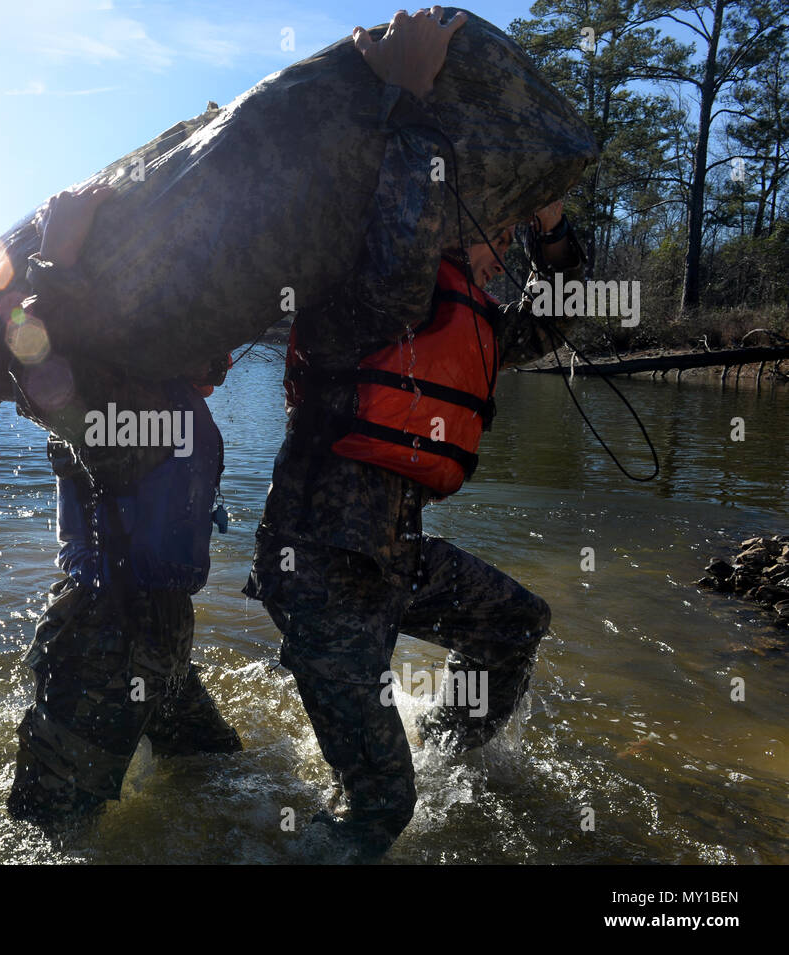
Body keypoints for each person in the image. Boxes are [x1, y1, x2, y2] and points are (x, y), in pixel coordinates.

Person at [243, 7, 587, 860]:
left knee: (515, 622)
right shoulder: (363, 280)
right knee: (381, 809)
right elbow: (400, 252)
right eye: (495, 220)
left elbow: (563, 319)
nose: (499, 233)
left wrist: (550, 227)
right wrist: (408, 98)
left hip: (392, 561)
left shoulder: (470, 319)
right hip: (321, 568)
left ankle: (441, 760)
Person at [2, 186, 242, 831]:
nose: (221, 360)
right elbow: (42, 348)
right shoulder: (116, 399)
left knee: (216, 774)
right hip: (99, 638)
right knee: (48, 833)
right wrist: (56, 254)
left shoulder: (167, 399)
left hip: (160, 635)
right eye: (206, 342)